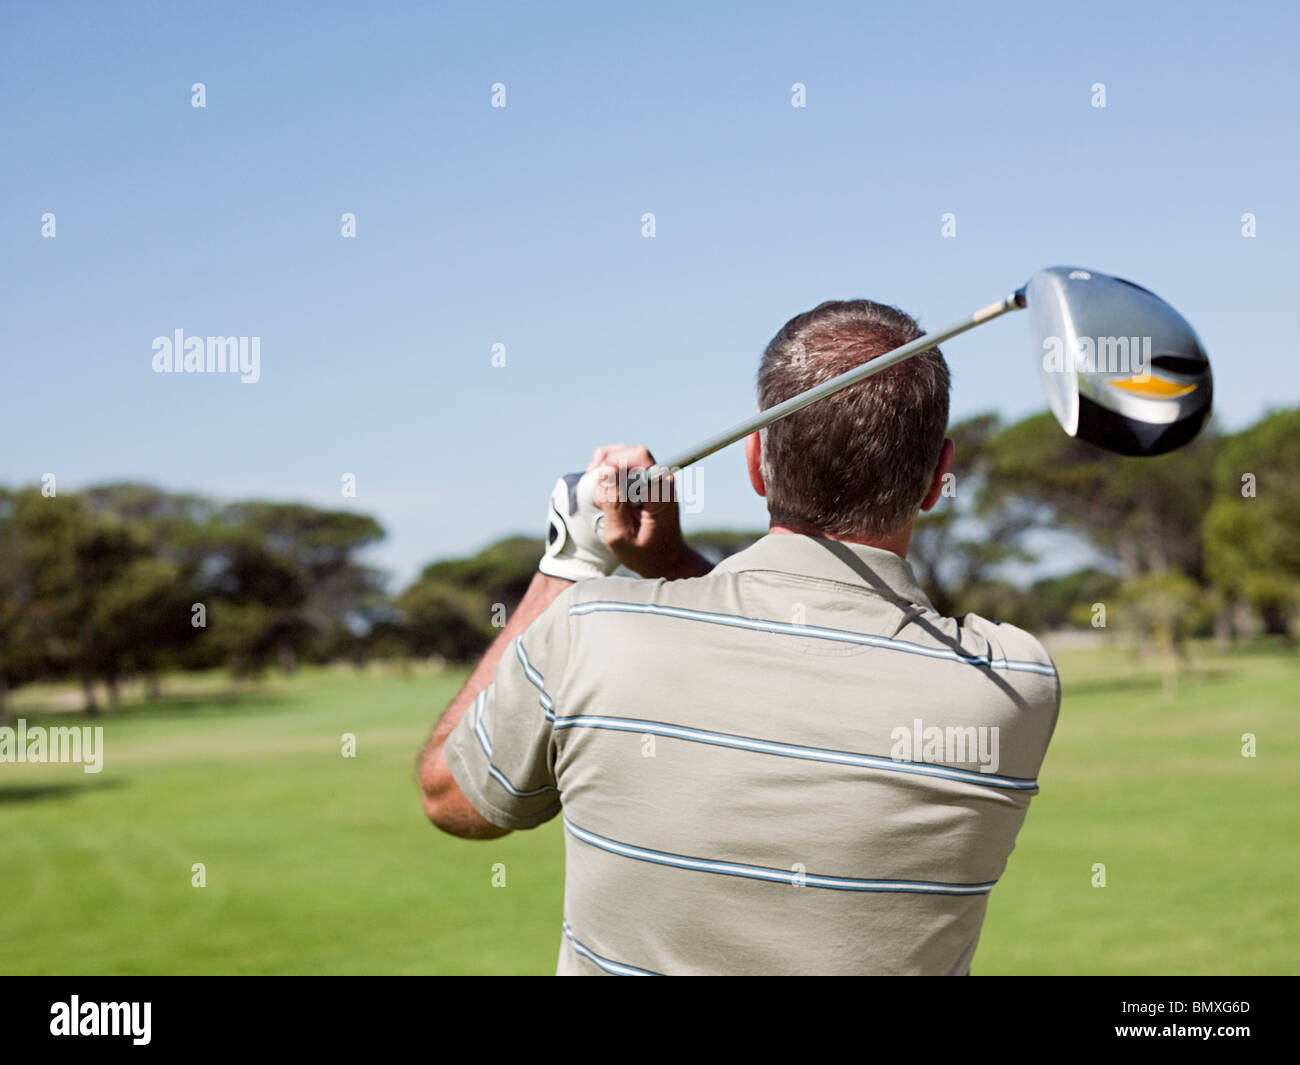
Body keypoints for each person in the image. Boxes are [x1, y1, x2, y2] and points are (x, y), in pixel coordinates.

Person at [418, 299, 1061, 975]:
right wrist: (673, 565)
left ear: (756, 461)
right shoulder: (1013, 685)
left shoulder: (591, 632)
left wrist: (569, 562)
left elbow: (451, 794)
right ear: (938, 477)